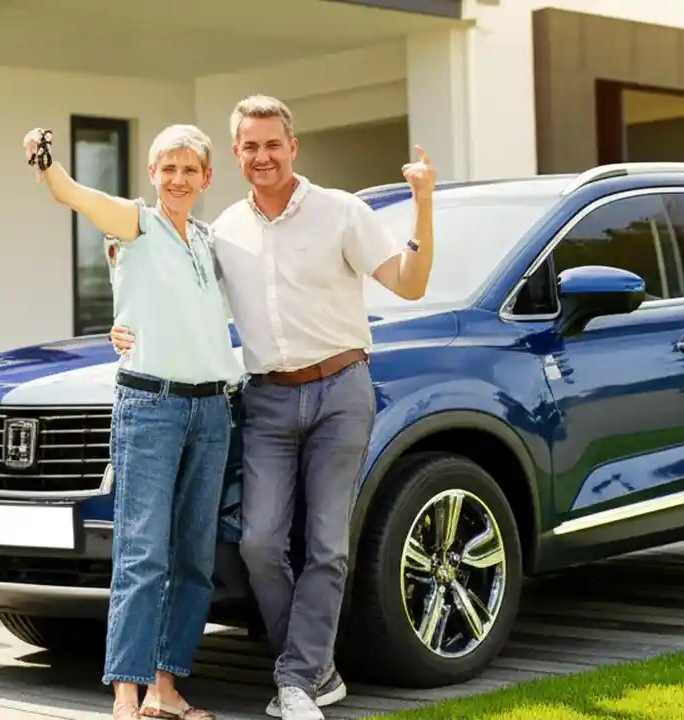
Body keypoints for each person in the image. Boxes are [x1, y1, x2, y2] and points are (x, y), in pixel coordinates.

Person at [111, 94, 435, 720]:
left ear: (293, 147)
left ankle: (294, 680)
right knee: (259, 543)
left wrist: (423, 203)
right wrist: (121, 329)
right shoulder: (222, 231)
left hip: (341, 387)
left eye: (273, 144)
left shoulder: (342, 211)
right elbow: (175, 292)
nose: (263, 156)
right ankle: (314, 670)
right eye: (250, 147)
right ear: (234, 156)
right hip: (266, 398)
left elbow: (410, 283)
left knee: (325, 545)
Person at [24, 123, 243, 720]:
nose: (177, 178)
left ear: (205, 178)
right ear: (152, 175)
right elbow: (73, 194)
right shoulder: (136, 222)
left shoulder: (206, 239)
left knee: (195, 558)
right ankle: (126, 695)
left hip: (210, 409)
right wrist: (45, 163)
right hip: (151, 405)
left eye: (188, 169)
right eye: (166, 168)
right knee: (143, 554)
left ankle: (165, 692)